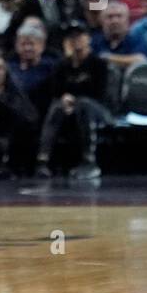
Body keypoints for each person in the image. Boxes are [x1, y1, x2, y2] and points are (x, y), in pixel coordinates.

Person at [35, 23, 110, 181]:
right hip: (68, 109)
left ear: (88, 38)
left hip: (99, 110)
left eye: (79, 36)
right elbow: (56, 90)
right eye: (71, 37)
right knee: (56, 106)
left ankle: (89, 161)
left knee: (83, 104)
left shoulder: (98, 64)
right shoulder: (62, 65)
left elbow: (99, 93)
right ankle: (43, 159)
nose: (76, 40)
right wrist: (65, 98)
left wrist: (74, 99)